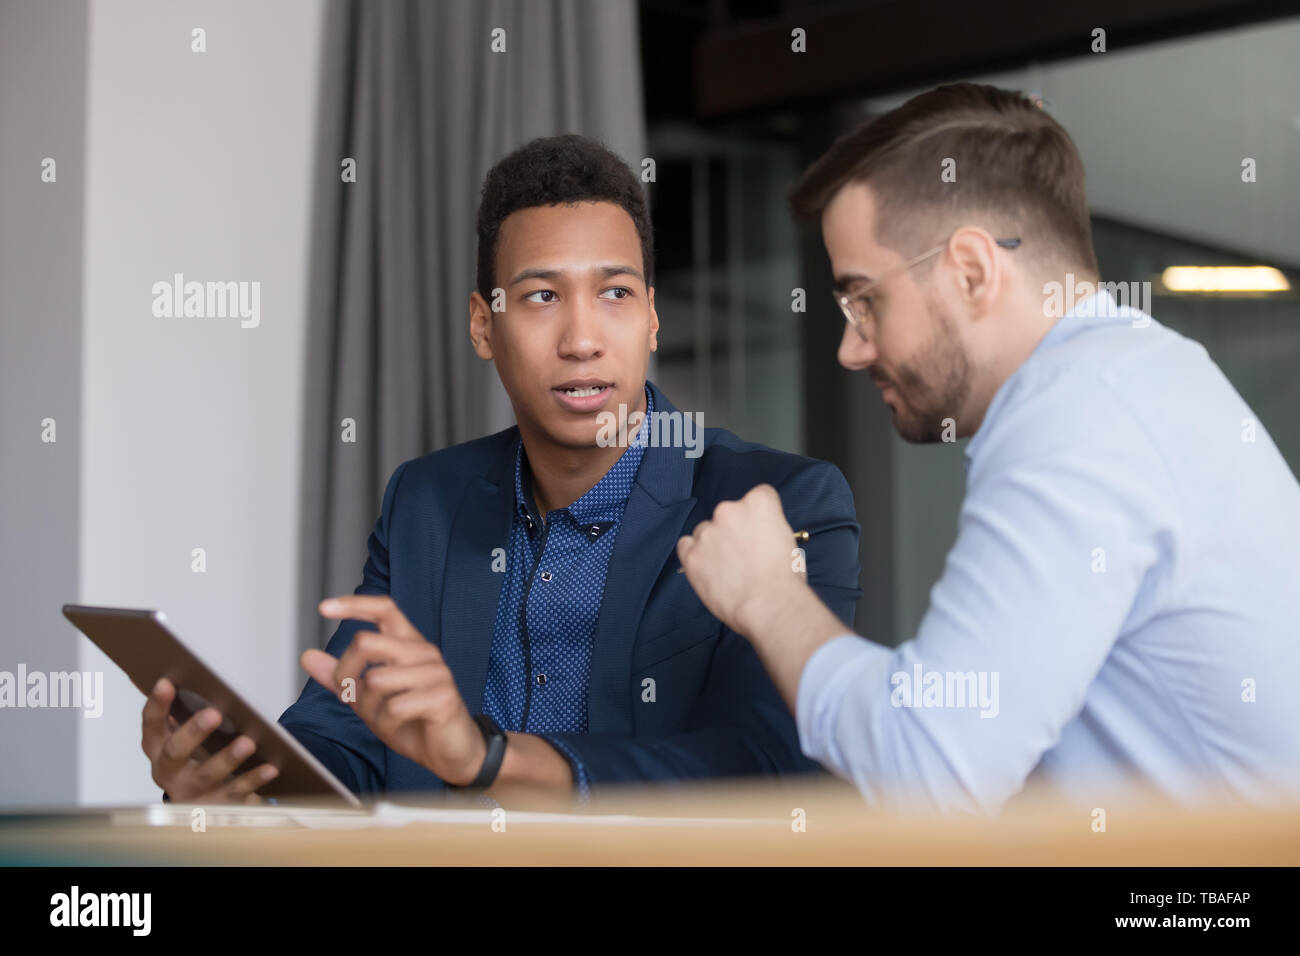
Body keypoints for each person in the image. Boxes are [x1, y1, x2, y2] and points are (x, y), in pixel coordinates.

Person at [143, 134, 862, 804]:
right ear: (483, 325)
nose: (582, 339)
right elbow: (348, 734)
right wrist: (235, 779)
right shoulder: (426, 500)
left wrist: (488, 757)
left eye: (614, 294)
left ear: (650, 316)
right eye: (542, 296)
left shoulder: (779, 502)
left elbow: (766, 766)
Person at [676, 83, 1300, 816]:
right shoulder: (1136, 383)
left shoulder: (1081, 418)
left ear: (972, 271)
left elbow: (929, 768)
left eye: (864, 299)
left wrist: (768, 596)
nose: (850, 347)